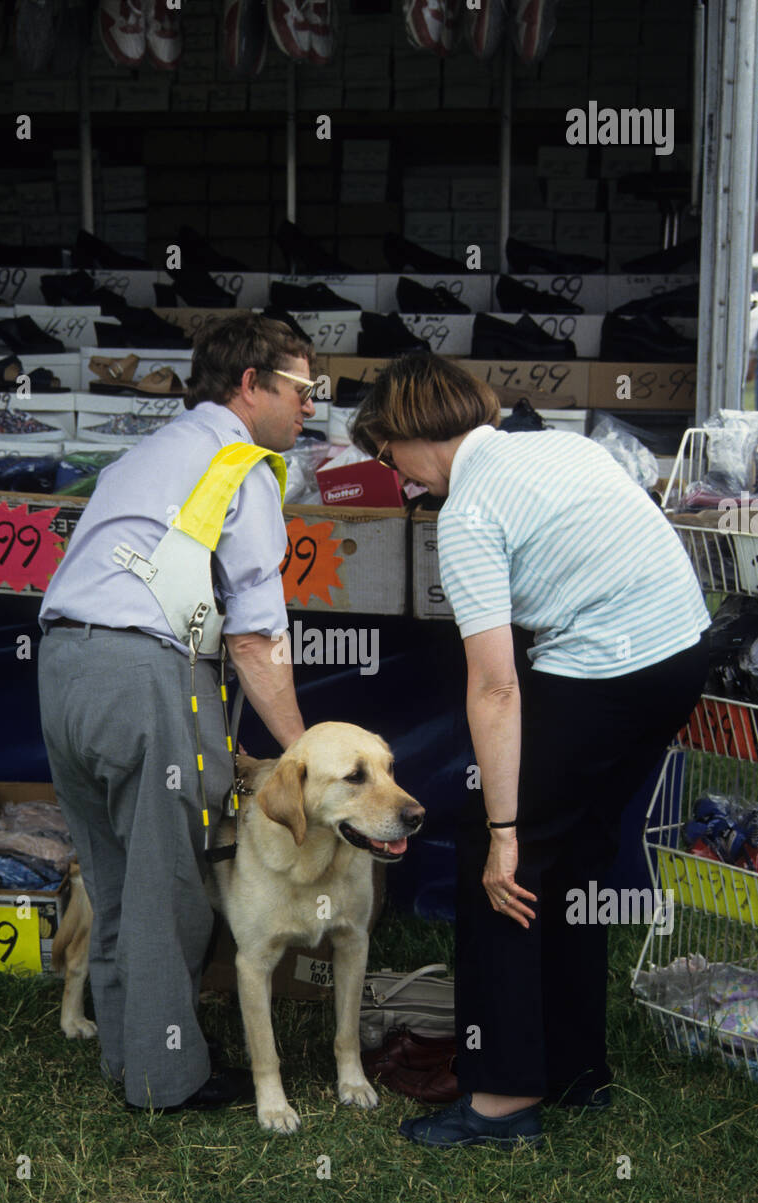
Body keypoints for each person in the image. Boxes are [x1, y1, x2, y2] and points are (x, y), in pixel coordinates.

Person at [350, 354, 710, 1150]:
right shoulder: (561, 445)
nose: (393, 473)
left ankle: (502, 1101)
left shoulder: (468, 512)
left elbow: (495, 686)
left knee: (499, 868)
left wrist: (504, 829)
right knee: (575, 855)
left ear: (412, 433)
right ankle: (576, 1070)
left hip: (605, 670)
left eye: (384, 453)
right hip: (678, 654)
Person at [37, 314, 314, 1114]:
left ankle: (131, 1059)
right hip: (145, 672)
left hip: (64, 666)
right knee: (168, 888)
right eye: (300, 389)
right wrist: (303, 757)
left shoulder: (154, 450)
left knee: (117, 878)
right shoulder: (242, 464)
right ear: (250, 384)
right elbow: (258, 639)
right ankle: (167, 1080)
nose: (309, 408)